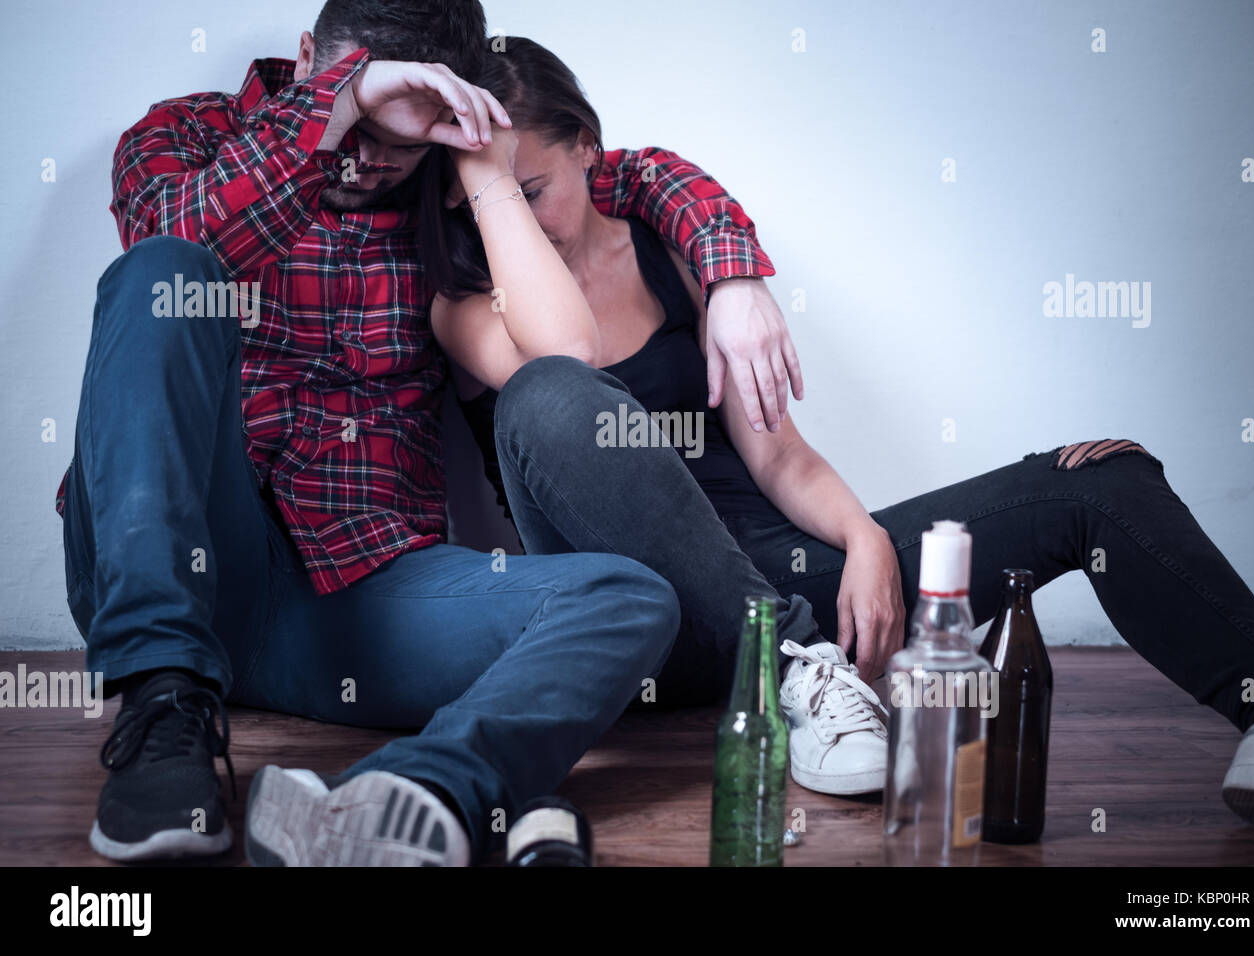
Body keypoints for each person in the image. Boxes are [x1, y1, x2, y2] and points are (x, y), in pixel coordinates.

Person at [424, 37, 1254, 828]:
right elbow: (564, 357)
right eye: (499, 195)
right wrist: (489, 185)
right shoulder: (468, 304)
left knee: (1100, 483)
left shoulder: (666, 258)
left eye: (533, 188)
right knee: (547, 392)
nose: (522, 217)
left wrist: (866, 538)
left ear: (587, 148)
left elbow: (778, 454)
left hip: (792, 588)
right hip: (645, 626)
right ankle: (798, 660)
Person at [56, 0, 803, 866]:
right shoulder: (186, 136)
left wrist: (733, 271)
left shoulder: (436, 187)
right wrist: (333, 107)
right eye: (358, 129)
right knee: (165, 274)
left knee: (627, 597)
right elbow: (158, 256)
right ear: (309, 59)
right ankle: (162, 706)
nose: (369, 164)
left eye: (397, 145)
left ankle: (419, 795)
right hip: (181, 565)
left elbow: (625, 178)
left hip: (358, 599)